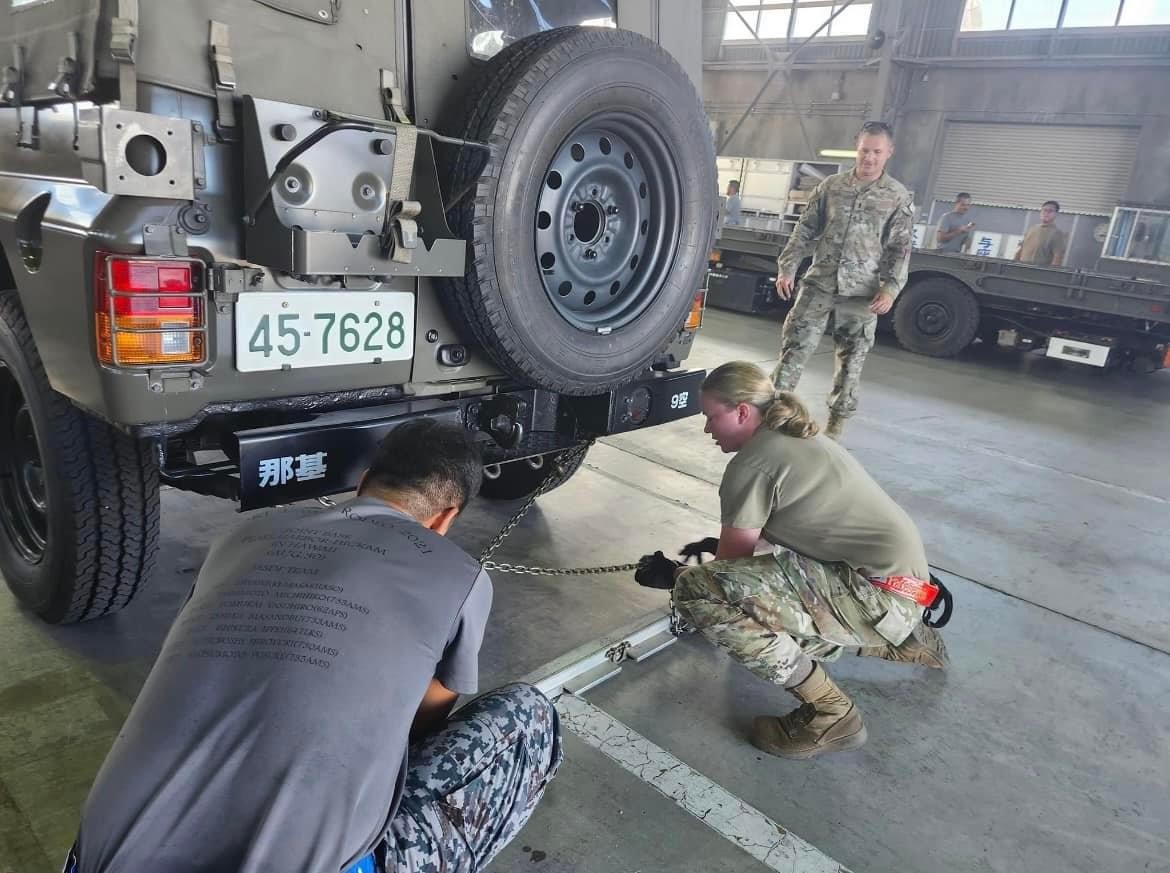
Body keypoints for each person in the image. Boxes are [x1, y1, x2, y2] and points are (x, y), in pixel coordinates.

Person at [70, 419, 561, 873]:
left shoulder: (242, 536)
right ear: (446, 516)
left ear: (364, 480)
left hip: (97, 858)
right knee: (529, 715)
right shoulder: (463, 579)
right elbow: (426, 718)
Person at [637, 362, 948, 760]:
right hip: (907, 590)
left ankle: (831, 714)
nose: (707, 429)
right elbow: (764, 553)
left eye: (711, 417)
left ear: (742, 412)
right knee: (750, 593)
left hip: (874, 597)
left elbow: (726, 579)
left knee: (698, 594)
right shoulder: (793, 438)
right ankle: (899, 642)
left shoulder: (751, 463)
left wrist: (675, 576)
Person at [772, 121, 914, 441]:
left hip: (862, 292)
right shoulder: (831, 187)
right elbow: (805, 229)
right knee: (795, 348)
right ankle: (776, 410)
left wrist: (890, 288)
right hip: (820, 282)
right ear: (856, 148)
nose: (869, 158)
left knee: (852, 360)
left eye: (877, 152)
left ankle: (836, 424)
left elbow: (900, 248)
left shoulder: (897, 197)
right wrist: (788, 267)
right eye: (864, 150)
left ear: (888, 152)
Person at [1016, 200, 1068, 266]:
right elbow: (1021, 249)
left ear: (1056, 214)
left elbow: (1058, 257)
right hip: (1021, 269)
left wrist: (1049, 273)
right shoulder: (1032, 229)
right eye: (1044, 210)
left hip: (1039, 272)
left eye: (1050, 211)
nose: (1046, 213)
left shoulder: (1057, 233)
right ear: (1040, 212)